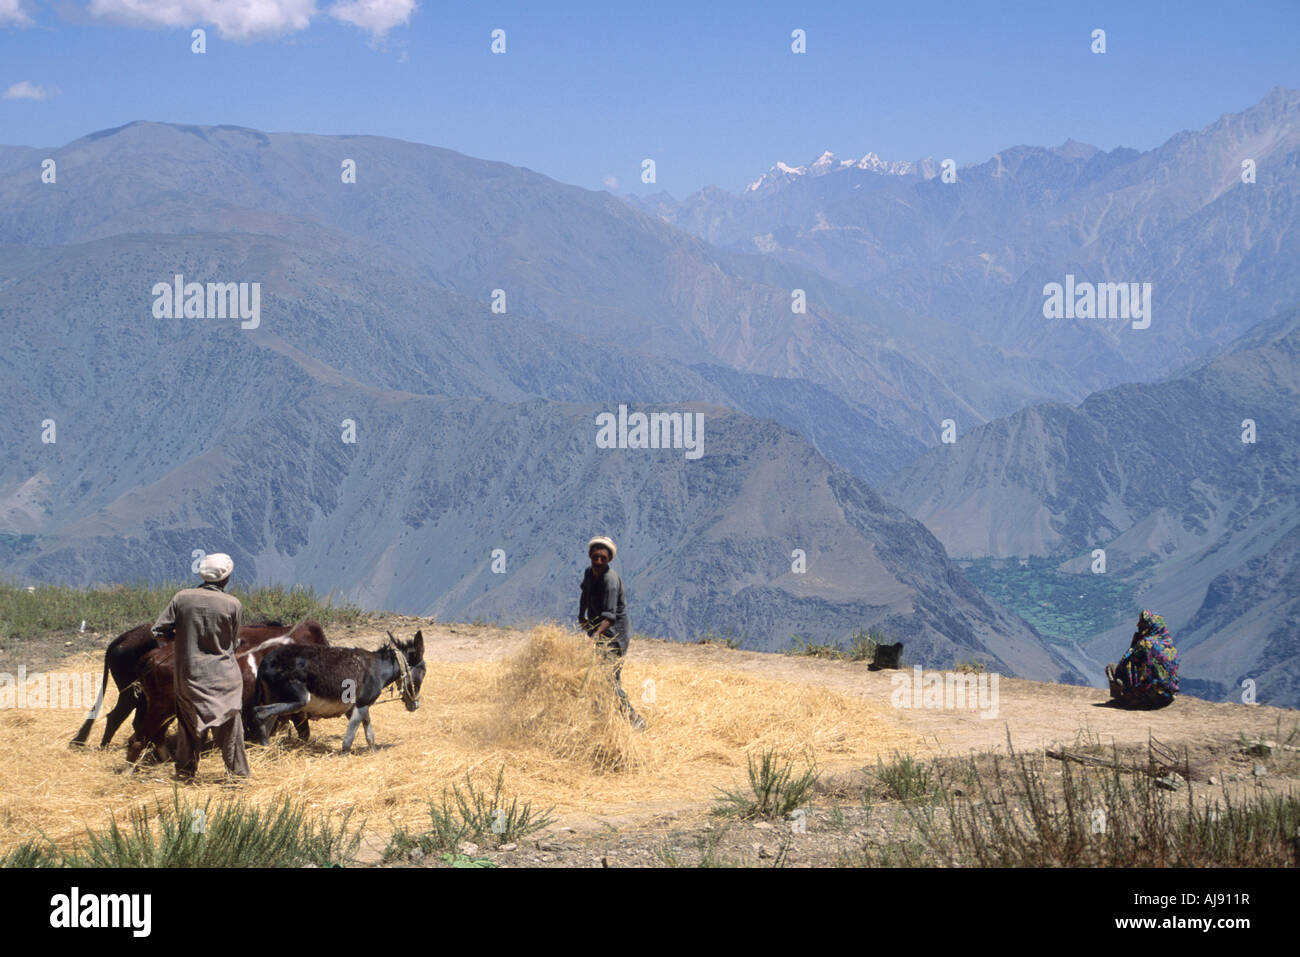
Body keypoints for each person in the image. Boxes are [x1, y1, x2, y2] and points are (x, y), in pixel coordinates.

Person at [151, 553, 250, 779]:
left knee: (187, 725)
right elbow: (232, 641)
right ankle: (238, 776)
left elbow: (157, 631)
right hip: (224, 678)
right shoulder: (233, 604)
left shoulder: (182, 598)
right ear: (225, 579)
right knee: (231, 728)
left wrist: (182, 638)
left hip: (189, 676)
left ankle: (186, 773)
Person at [578, 536, 645, 730]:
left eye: (603, 559)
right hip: (598, 630)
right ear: (590, 555)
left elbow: (610, 618)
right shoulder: (589, 573)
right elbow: (584, 594)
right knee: (596, 676)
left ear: (609, 560)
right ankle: (600, 717)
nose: (598, 562)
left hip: (615, 636)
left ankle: (633, 718)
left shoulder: (610, 581)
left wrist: (594, 637)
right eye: (596, 557)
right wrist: (581, 616)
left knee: (609, 679)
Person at [1105, 609, 1179, 709]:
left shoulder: (1145, 643)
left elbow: (1124, 664)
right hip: (1167, 698)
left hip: (1148, 698)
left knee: (1111, 668)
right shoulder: (1170, 645)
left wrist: (1135, 643)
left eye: (1142, 622)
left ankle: (1127, 698)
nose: (1138, 625)